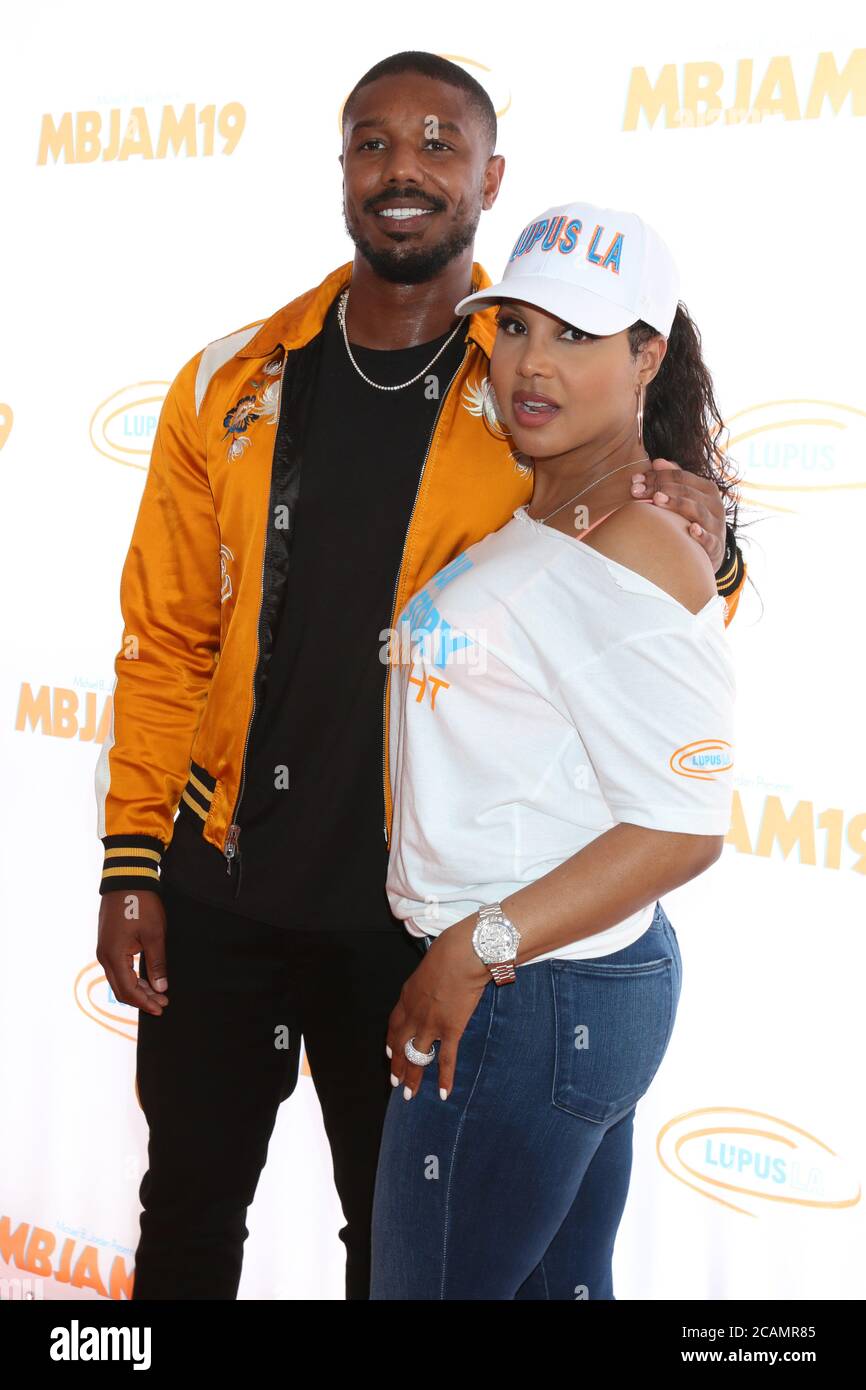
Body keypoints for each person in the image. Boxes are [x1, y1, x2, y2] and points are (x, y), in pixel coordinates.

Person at [94, 52, 746, 1302]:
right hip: (218, 882)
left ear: (488, 177)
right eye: (373, 144)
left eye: (438, 145)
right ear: (341, 170)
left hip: (401, 920)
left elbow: (639, 605)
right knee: (183, 1218)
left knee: (390, 1242)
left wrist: (708, 548)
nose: (403, 171)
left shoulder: (530, 395)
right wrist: (133, 863)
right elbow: (165, 637)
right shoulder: (232, 382)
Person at [370, 199, 738, 1301]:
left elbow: (681, 825)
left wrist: (470, 946)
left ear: (645, 356)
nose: (530, 364)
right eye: (516, 326)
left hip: (530, 990)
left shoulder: (632, 537)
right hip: (553, 983)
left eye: (575, 336)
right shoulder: (563, 505)